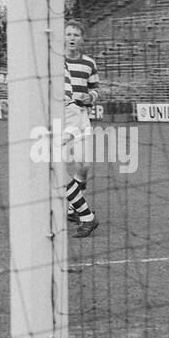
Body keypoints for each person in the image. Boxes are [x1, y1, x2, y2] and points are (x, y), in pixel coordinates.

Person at [63, 19, 101, 238]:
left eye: (76, 35)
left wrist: (90, 97)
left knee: (83, 163)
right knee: (53, 166)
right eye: (68, 34)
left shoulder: (88, 63)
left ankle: (76, 209)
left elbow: (96, 89)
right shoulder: (57, 61)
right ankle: (82, 212)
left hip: (77, 115)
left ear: (82, 39)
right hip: (64, 115)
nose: (72, 38)